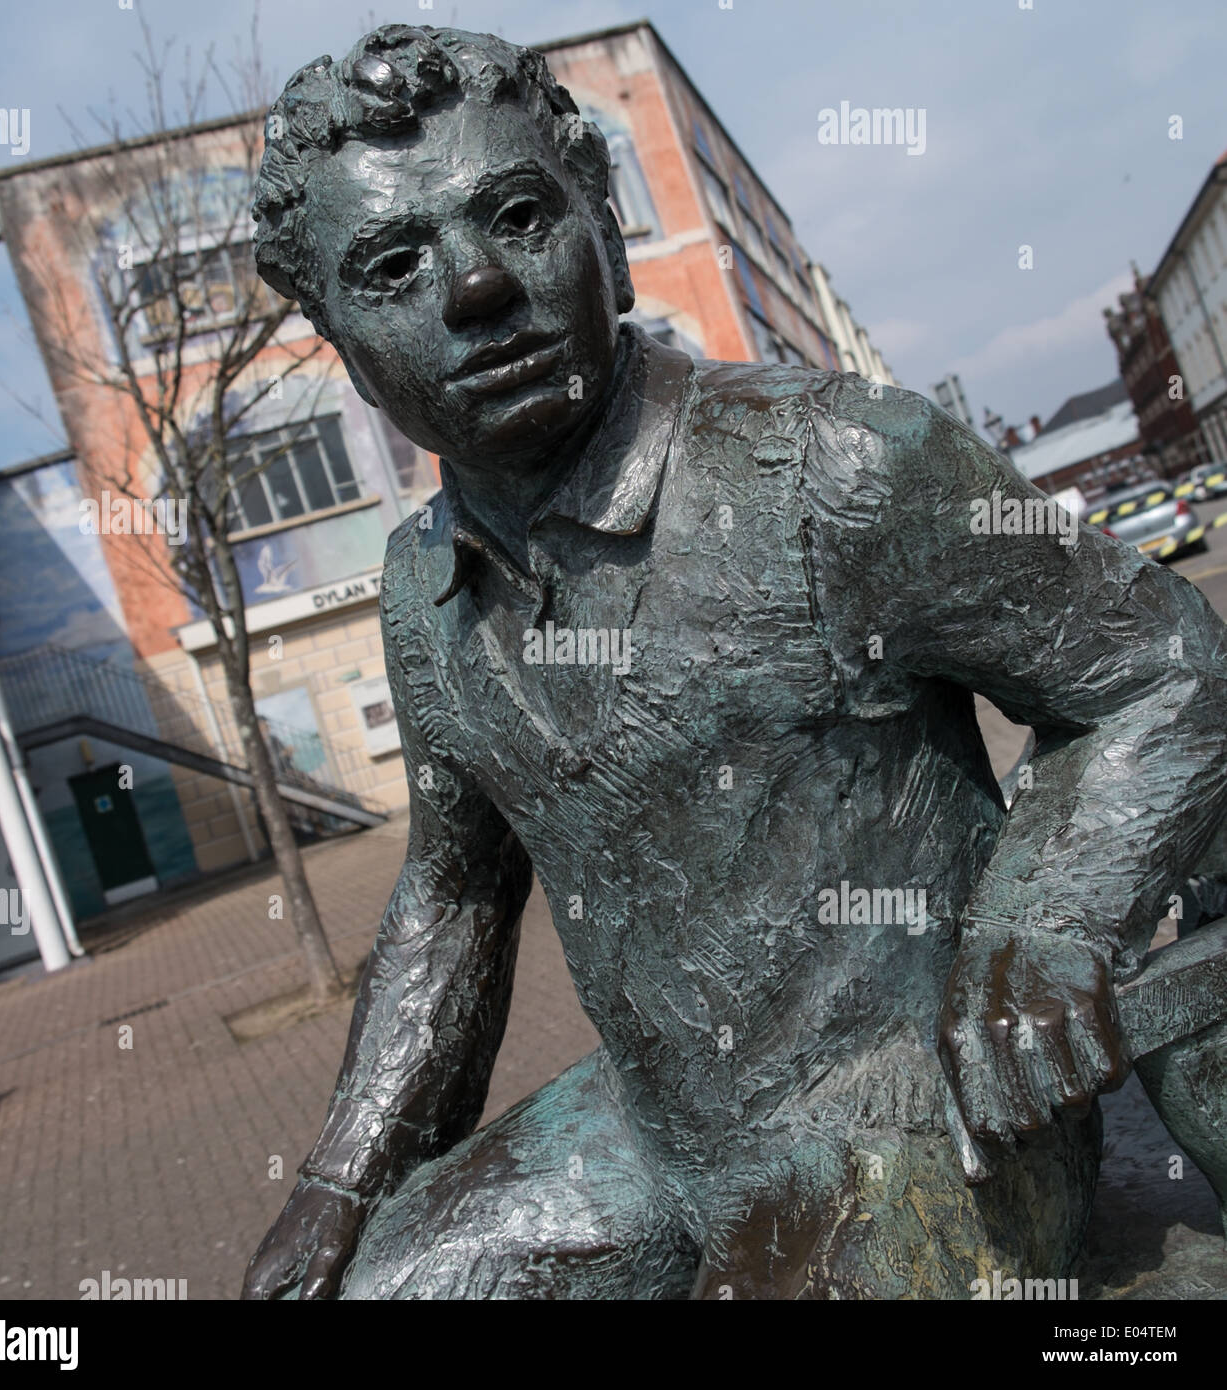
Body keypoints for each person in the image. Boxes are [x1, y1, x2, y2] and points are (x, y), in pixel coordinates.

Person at [242, 25, 1227, 1299]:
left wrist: (1043, 924)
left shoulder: (834, 465)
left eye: (519, 213)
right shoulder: (422, 601)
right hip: (653, 1133)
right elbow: (450, 902)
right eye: (391, 264)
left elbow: (1163, 668)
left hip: (919, 1106)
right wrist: (341, 1185)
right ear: (329, 326)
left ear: (600, 208)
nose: (476, 287)